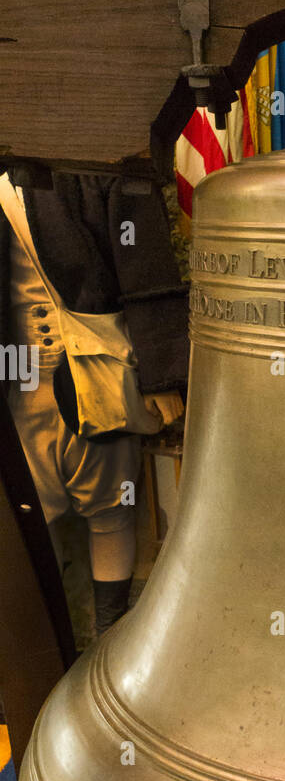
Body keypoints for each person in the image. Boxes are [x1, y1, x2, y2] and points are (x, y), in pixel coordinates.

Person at [0, 169, 189, 635]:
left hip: (96, 373)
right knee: (27, 522)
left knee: (110, 510)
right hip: (16, 384)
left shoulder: (90, 166)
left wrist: (161, 371)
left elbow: (144, 265)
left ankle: (110, 633)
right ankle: (48, 643)